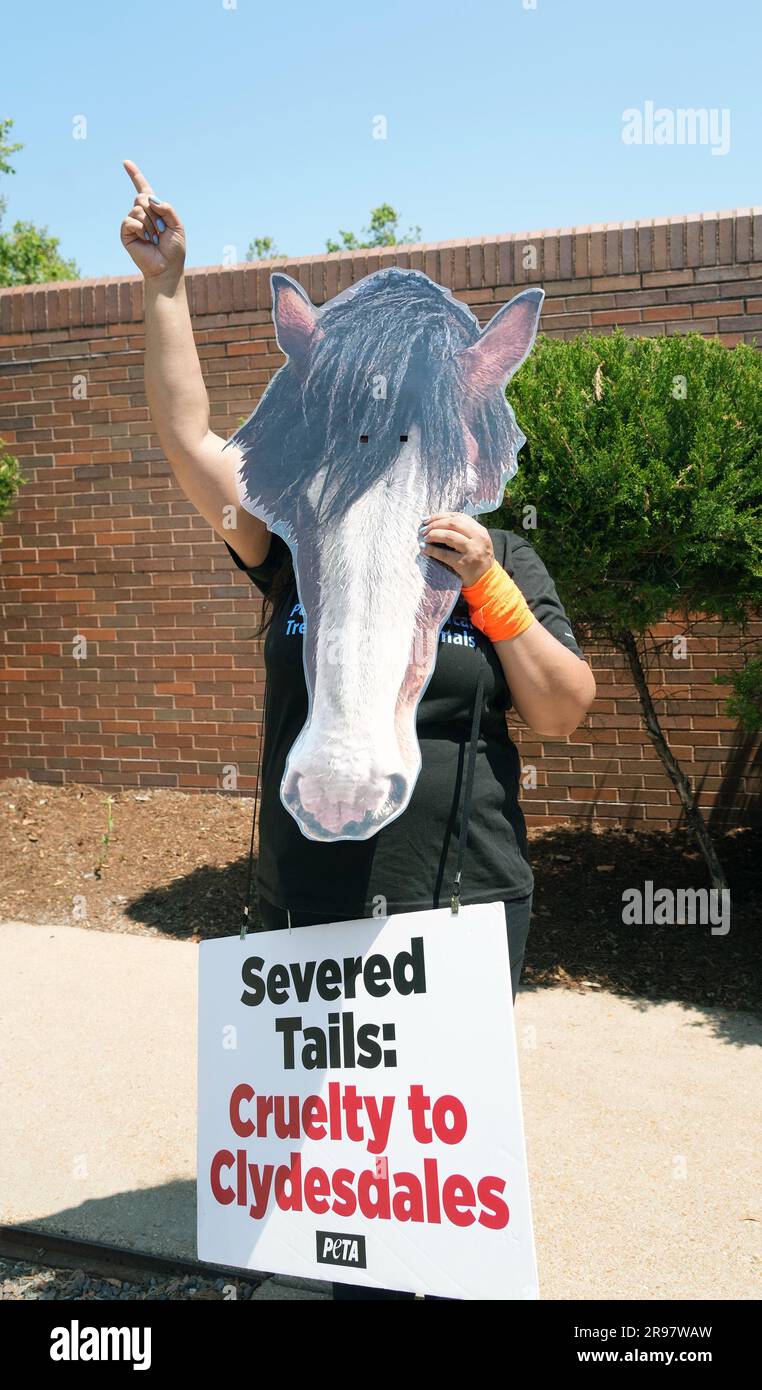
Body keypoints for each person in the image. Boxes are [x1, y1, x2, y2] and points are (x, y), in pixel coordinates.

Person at [121, 159, 597, 1302]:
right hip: (308, 898)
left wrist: (491, 590)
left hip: (460, 903)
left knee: (430, 1191)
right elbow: (191, 441)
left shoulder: (499, 557)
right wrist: (167, 288)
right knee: (335, 1192)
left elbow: (565, 708)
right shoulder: (290, 542)